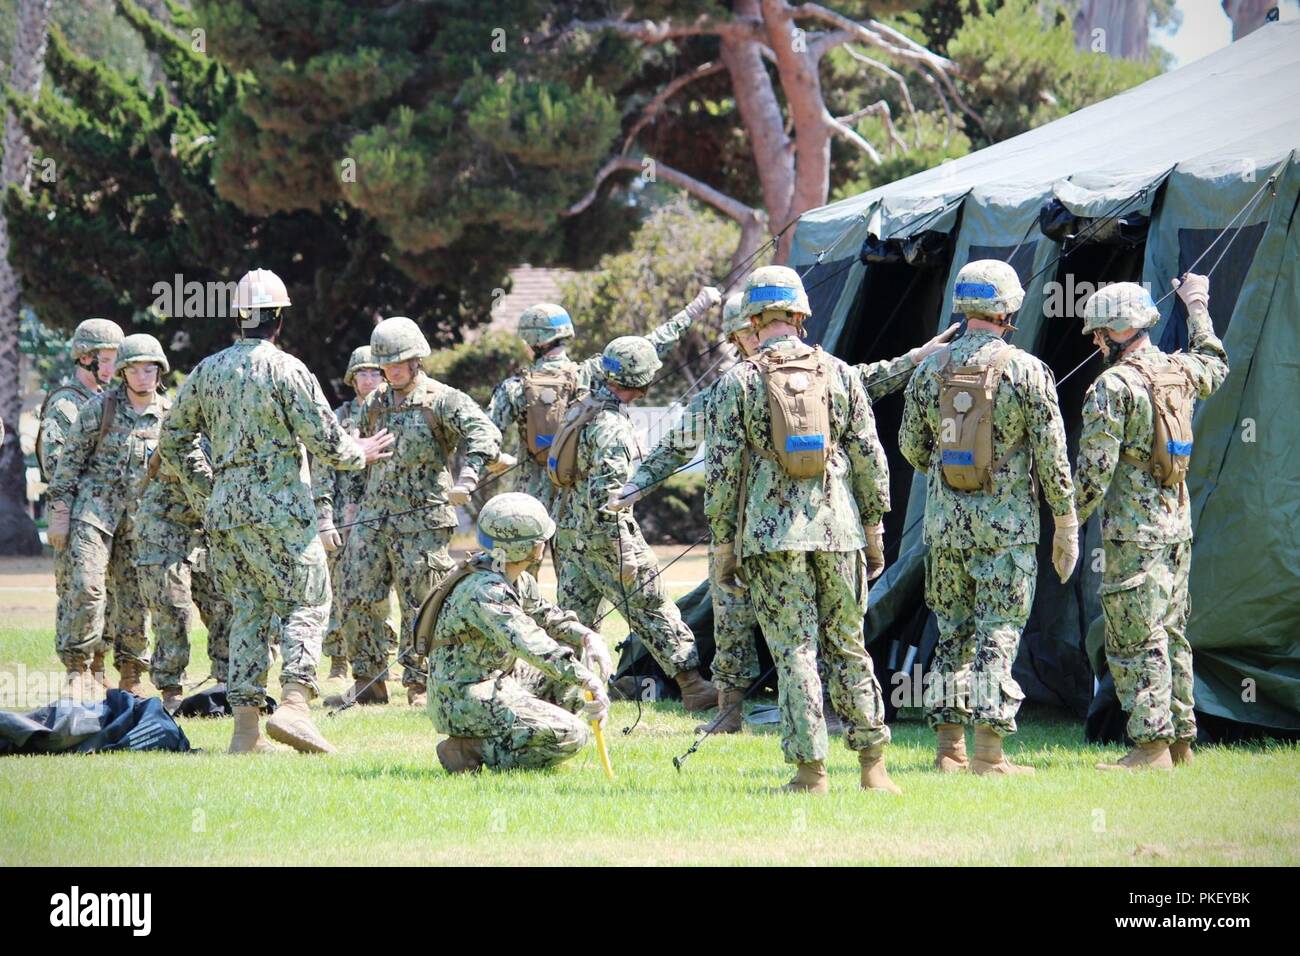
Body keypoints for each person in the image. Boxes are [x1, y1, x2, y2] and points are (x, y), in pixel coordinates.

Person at [161, 268, 394, 754]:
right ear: (279, 319)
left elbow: (173, 439)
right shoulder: (287, 370)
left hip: (226, 515)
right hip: (282, 513)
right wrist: (361, 452)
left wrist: (210, 486)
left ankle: (245, 733)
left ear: (238, 318)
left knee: (248, 611)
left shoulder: (207, 370)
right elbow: (327, 441)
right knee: (307, 602)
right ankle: (293, 706)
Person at [706, 266, 899, 794]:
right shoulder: (840, 373)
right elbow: (868, 457)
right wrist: (876, 528)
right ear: (799, 315)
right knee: (849, 645)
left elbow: (722, 472)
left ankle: (811, 772)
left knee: (794, 652)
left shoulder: (739, 382)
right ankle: (873, 768)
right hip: (840, 532)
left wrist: (724, 542)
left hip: (771, 540)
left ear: (754, 318)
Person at [899, 259, 1078, 775]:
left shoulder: (930, 368)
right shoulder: (1025, 370)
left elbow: (911, 449)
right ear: (1008, 308)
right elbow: (1052, 457)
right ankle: (988, 756)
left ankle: (948, 751)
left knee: (951, 632)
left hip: (945, 528)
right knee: (997, 633)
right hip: (1007, 532)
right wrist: (1065, 524)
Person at [1076, 276, 1228, 771]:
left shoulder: (1111, 387)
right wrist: (1197, 304)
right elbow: (1216, 363)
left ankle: (1150, 747)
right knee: (1171, 632)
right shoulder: (1181, 370)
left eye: (1098, 332)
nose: (1096, 341)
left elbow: (1093, 476)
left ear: (1116, 331)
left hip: (1131, 537)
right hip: (1177, 531)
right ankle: (1181, 741)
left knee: (1134, 638)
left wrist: (1060, 521)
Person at [329, 316, 505, 709]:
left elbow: (485, 432)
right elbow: (361, 452)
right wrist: (352, 502)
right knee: (356, 594)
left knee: (422, 602)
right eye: (384, 365)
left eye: (397, 363)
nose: (389, 371)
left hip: (422, 522)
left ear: (416, 361)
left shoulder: (442, 399)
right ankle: (367, 681)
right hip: (372, 520)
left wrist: (470, 473)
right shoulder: (374, 403)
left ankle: (420, 684)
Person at [552, 335, 716, 711]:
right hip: (606, 535)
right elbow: (607, 497)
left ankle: (564, 691)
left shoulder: (584, 408)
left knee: (573, 616)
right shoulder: (612, 427)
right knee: (653, 606)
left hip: (572, 533)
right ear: (641, 381)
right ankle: (692, 686)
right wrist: (624, 550)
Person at [423, 492, 612, 773]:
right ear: (531, 548)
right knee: (572, 734)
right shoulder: (486, 591)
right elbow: (531, 644)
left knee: (570, 686)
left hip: (496, 678)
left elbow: (546, 616)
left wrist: (587, 636)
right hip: (463, 695)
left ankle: (521, 731)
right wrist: (590, 681)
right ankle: (470, 748)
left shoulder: (511, 576)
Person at [489, 288, 720, 511]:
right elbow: (650, 345)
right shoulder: (590, 373)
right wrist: (696, 307)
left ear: (533, 342)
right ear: (566, 335)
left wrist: (498, 460)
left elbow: (485, 439)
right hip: (578, 499)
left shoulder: (514, 388)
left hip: (529, 500)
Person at [47, 333, 170, 697]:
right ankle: (79, 669)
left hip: (139, 520)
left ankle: (131, 675)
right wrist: (60, 512)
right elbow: (68, 465)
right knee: (87, 588)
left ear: (159, 373)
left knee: (134, 600)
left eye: (151, 369)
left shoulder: (168, 414)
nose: (143, 376)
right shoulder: (100, 408)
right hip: (93, 513)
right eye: (135, 369)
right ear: (123, 373)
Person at [38, 318, 124, 688]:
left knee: (113, 596)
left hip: (112, 513)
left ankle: (100, 671)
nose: (115, 367)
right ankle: (79, 671)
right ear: (86, 358)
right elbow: (55, 464)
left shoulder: (113, 400)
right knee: (81, 592)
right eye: (108, 359)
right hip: (76, 514)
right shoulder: (65, 404)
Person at [312, 345, 395, 690]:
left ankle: (384, 658)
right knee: (341, 592)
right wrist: (325, 516)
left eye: (376, 372)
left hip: (389, 514)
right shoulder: (338, 419)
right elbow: (323, 470)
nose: (370, 379)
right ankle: (339, 660)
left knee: (382, 596)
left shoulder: (394, 414)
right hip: (348, 519)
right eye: (363, 373)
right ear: (352, 378)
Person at [137, 434, 233, 712]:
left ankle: (227, 683)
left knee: (223, 603)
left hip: (203, 533)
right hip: (163, 530)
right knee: (173, 606)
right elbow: (204, 487)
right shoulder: (185, 431)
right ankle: (171, 690)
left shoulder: (233, 426)